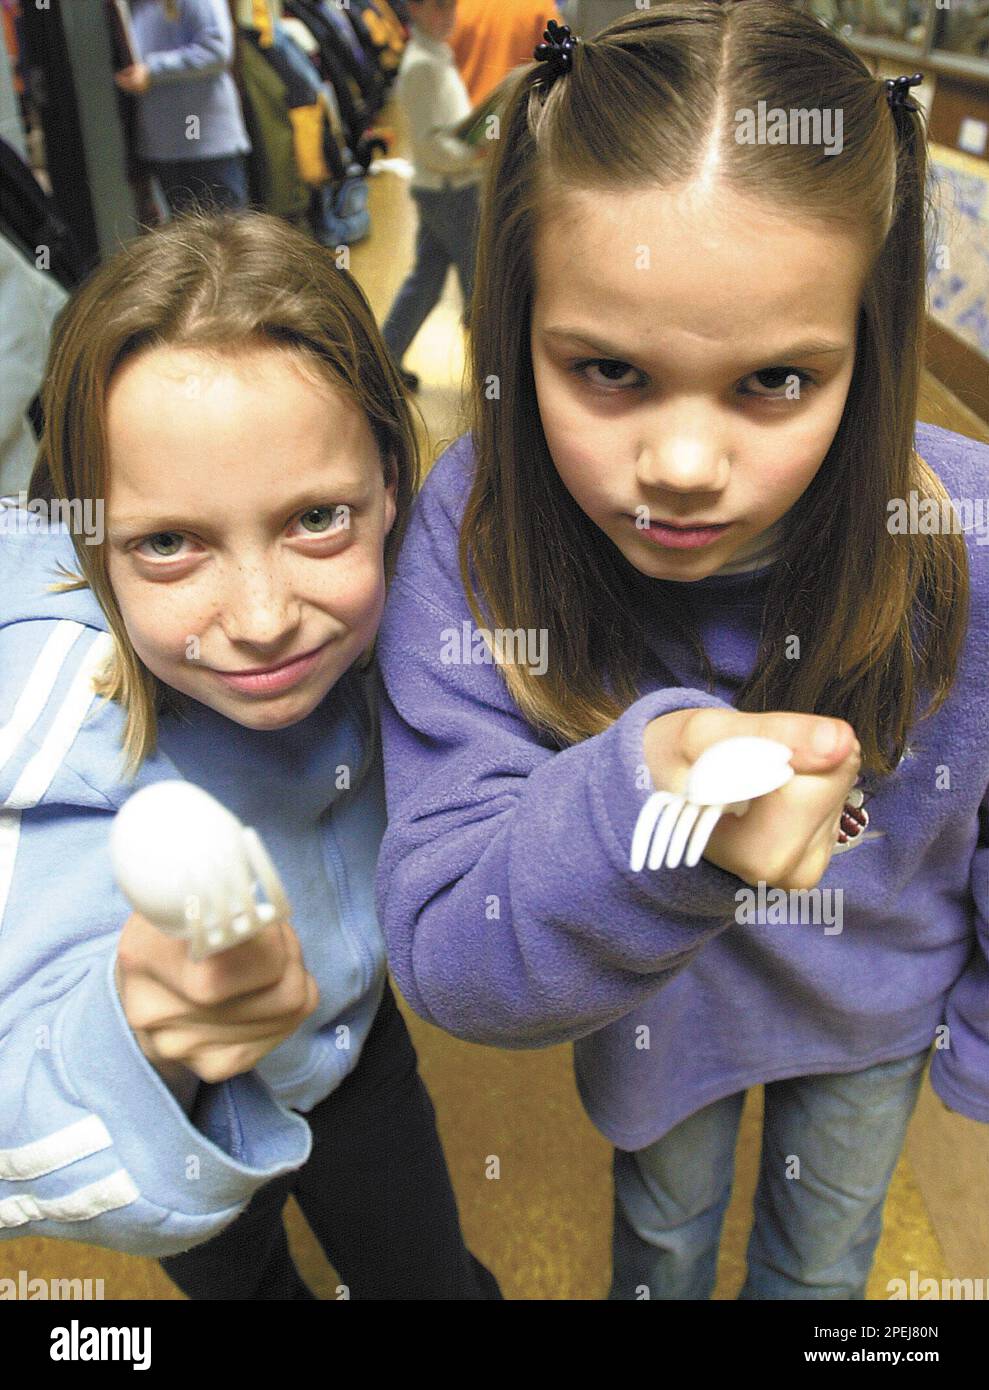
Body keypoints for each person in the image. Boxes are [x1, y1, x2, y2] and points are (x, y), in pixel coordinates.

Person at [374, 4, 988, 1300]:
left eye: (774, 381)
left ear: (868, 354)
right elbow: (444, 938)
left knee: (820, 1263)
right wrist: (659, 799)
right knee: (658, 1244)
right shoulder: (477, 536)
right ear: (515, 324)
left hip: (877, 1008)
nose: (685, 470)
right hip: (658, 1016)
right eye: (604, 368)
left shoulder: (970, 540)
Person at [0, 210, 500, 1301]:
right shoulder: (51, 715)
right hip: (190, 1104)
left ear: (390, 490)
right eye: (168, 543)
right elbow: (21, 1118)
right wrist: (141, 1038)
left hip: (357, 1049)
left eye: (316, 518)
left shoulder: (425, 618)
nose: (264, 617)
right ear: (93, 543)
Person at [380, 0, 488, 393]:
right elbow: (432, 148)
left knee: (425, 280)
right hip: (451, 192)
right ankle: (493, 381)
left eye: (452, 7)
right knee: (481, 287)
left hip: (442, 190)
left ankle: (385, 361)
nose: (450, 16)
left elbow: (443, 132)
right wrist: (477, 152)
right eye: (439, 8)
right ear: (415, 9)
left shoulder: (435, 55)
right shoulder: (423, 65)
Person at [115, 0, 252, 214]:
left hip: (206, 141)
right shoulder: (130, 6)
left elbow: (216, 50)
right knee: (182, 237)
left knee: (227, 234)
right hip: (163, 145)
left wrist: (152, 70)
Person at [450, 0, 564, 105]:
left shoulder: (454, 7)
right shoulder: (538, 6)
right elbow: (562, 64)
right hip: (512, 117)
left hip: (465, 117)